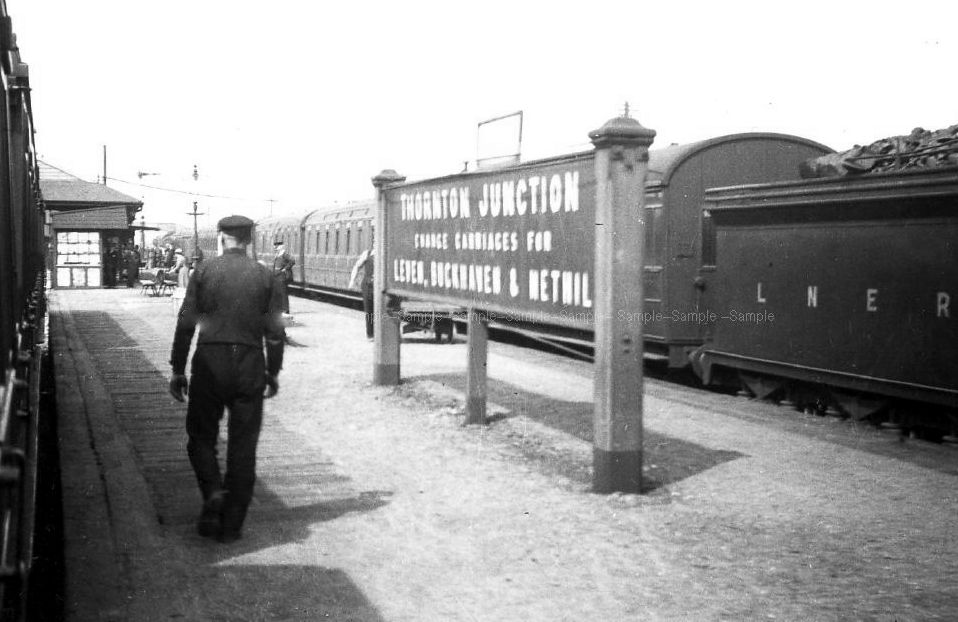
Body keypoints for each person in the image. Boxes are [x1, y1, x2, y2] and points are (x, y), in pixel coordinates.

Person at [168, 215, 285, 543]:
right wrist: (272, 371)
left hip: (210, 362)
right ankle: (231, 525)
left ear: (222, 238)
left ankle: (212, 491)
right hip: (249, 364)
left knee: (201, 437)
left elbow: (186, 323)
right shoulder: (266, 275)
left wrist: (178, 368)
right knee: (243, 446)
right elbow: (275, 331)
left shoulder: (204, 271)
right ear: (249, 240)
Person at [349, 248, 375, 339]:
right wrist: (352, 280)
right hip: (368, 285)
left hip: (379, 286)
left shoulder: (386, 253)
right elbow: (357, 266)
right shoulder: (367, 254)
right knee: (369, 310)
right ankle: (370, 334)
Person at [271, 240, 295, 317]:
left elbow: (292, 261)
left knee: (283, 293)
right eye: (275, 246)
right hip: (277, 276)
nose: (275, 248)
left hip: (282, 276)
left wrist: (285, 268)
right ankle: (281, 309)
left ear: (281, 247)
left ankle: (285, 309)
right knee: (278, 293)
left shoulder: (285, 254)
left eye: (277, 246)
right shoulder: (278, 254)